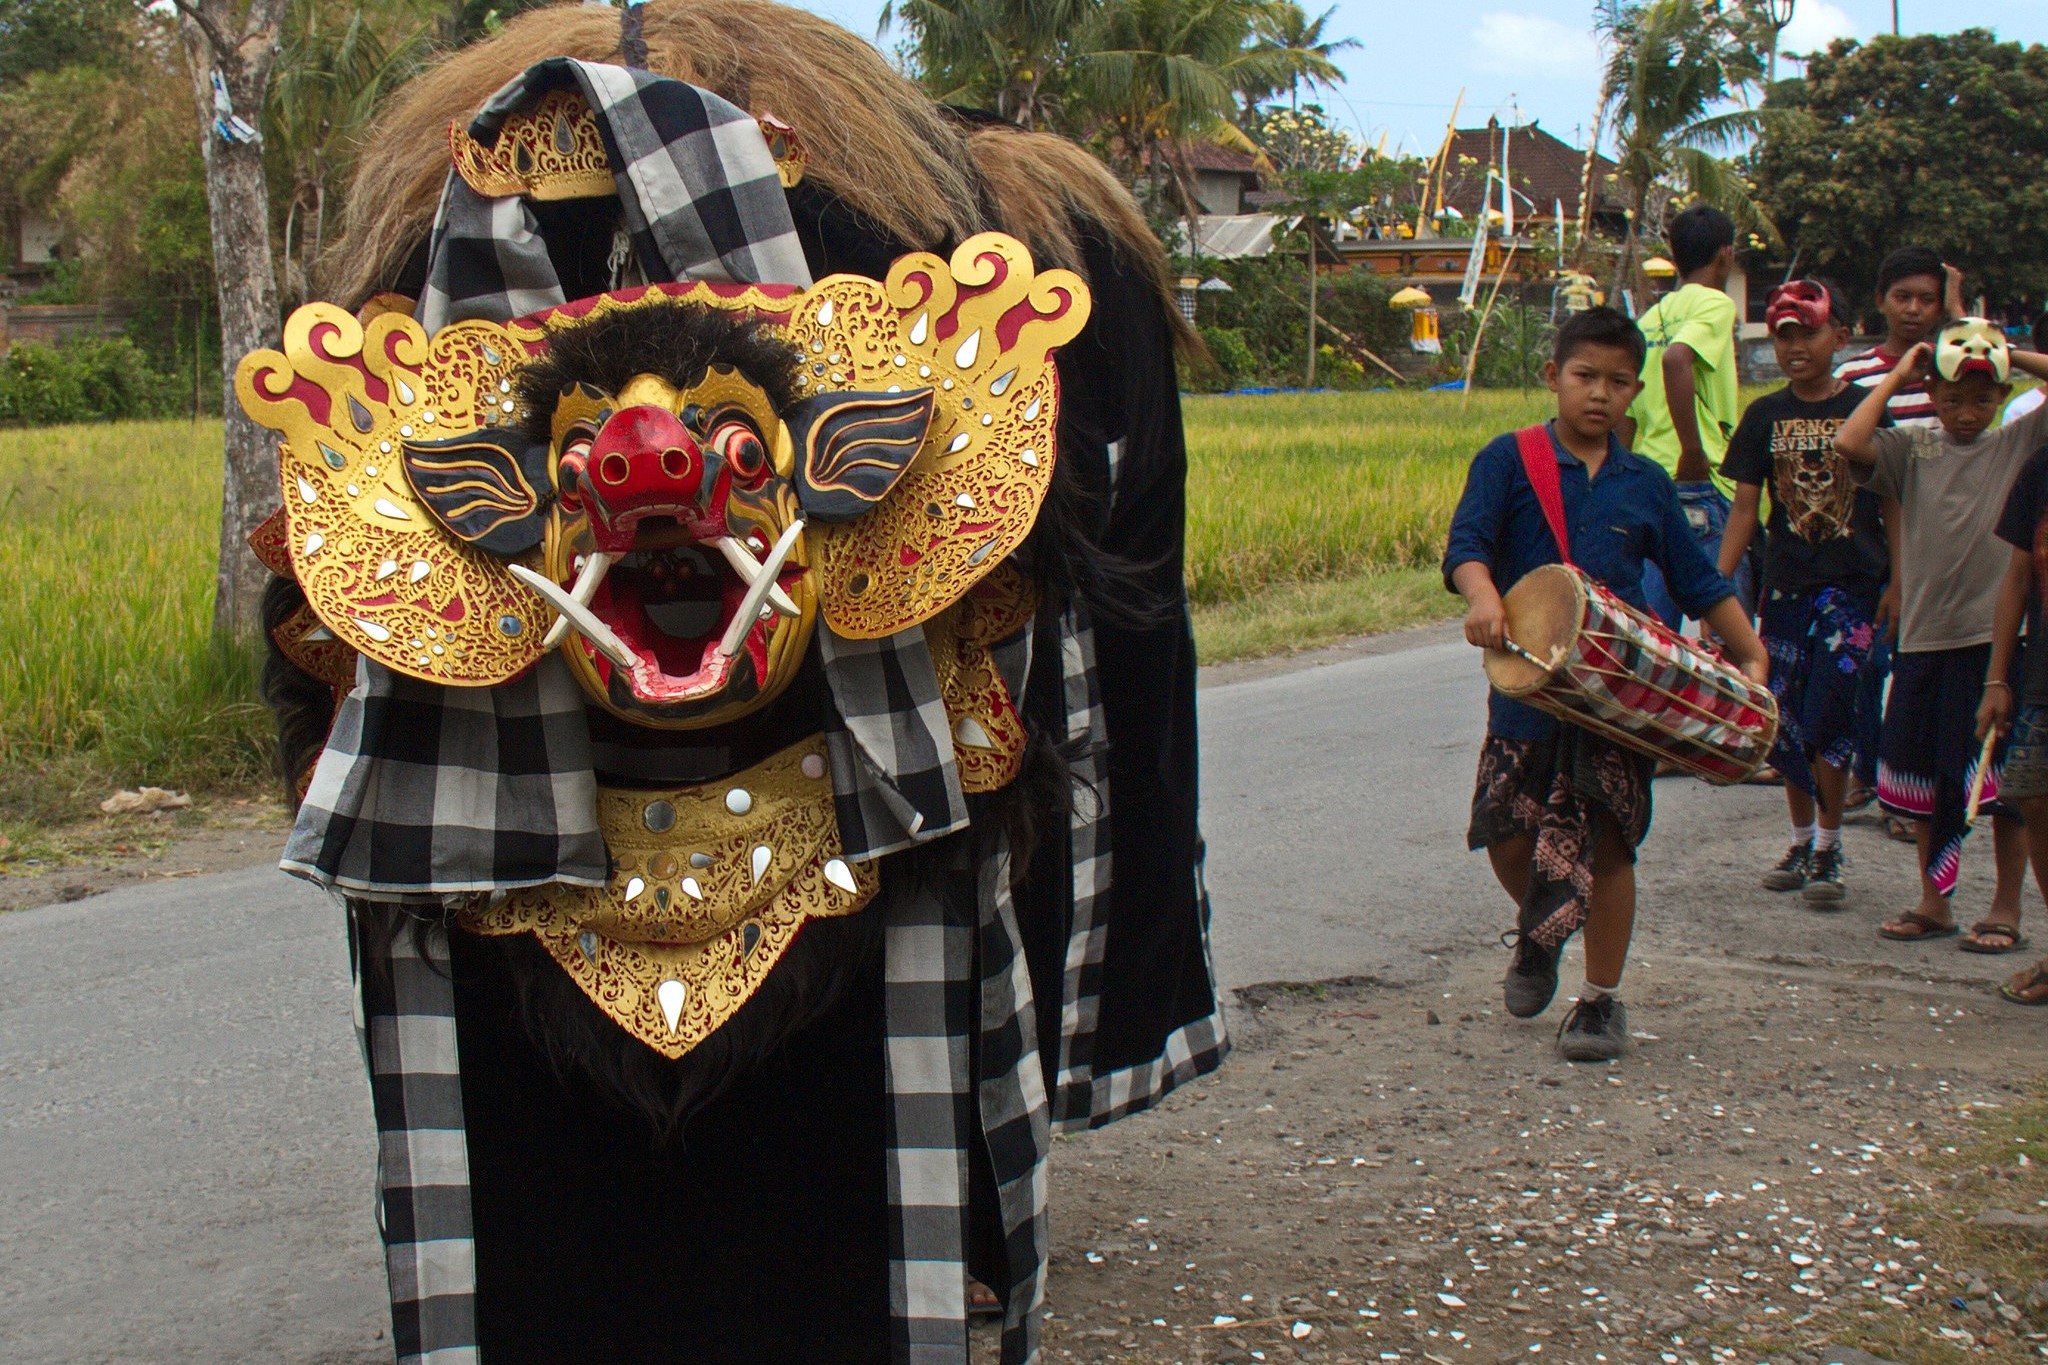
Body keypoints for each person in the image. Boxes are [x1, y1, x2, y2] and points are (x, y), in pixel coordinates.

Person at [1446, 306, 1769, 1062]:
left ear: (1636, 392)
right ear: (1553, 376)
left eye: (1618, 382)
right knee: (1504, 834)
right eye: (1586, 376)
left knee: (1611, 847)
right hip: (1526, 690)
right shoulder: (1507, 460)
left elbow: (1695, 580)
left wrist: (1750, 654)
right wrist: (1483, 596)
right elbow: (1469, 546)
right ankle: (1544, 927)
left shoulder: (1644, 483)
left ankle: (1599, 1001)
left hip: (1620, 702)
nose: (1600, 394)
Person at [1832, 320, 2048, 949]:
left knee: (1996, 785)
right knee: (1924, 781)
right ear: (1932, 395)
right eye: (1951, 399)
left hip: (1991, 640)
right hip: (1924, 635)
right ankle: (1936, 900)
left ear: (2002, 397)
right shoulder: (1914, 447)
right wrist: (1899, 374)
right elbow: (1849, 441)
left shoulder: (2017, 443)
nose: (1965, 413)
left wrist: (2012, 354)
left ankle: (2006, 907)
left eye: (1982, 399)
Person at [1717, 280, 1885, 904]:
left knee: (1831, 715)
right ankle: (1801, 836)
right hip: (1784, 591)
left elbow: (1891, 500)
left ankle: (1831, 845)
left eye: (1808, 333)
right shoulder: (1764, 416)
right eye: (1783, 336)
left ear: (1840, 337)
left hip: (1853, 591)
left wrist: (1901, 583)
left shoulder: (1866, 409)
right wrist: (1715, 591)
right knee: (1783, 718)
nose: (1795, 348)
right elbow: (1744, 510)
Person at [1837, 248, 1966, 818]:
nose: (1915, 309)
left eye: (1928, 299)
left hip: (1943, 541)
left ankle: (1911, 791)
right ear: (1881, 300)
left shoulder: (1956, 372)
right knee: (1869, 662)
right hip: (1871, 542)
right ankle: (1868, 772)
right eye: (1902, 297)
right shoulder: (1855, 376)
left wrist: (1961, 317)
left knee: (1923, 671)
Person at [1616, 204, 1746, 624]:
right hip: (1702, 482)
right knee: (1730, 630)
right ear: (1726, 254)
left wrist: (1619, 472)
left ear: (1674, 257)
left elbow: (1627, 409)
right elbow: (1677, 360)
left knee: (1654, 633)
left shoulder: (1648, 320)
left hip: (1652, 480)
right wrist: (1692, 451)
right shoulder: (1715, 304)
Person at [1977, 434, 2048, 975]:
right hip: (2042, 672)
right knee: (2033, 798)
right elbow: (2018, 579)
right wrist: (1998, 678)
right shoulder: (2039, 469)